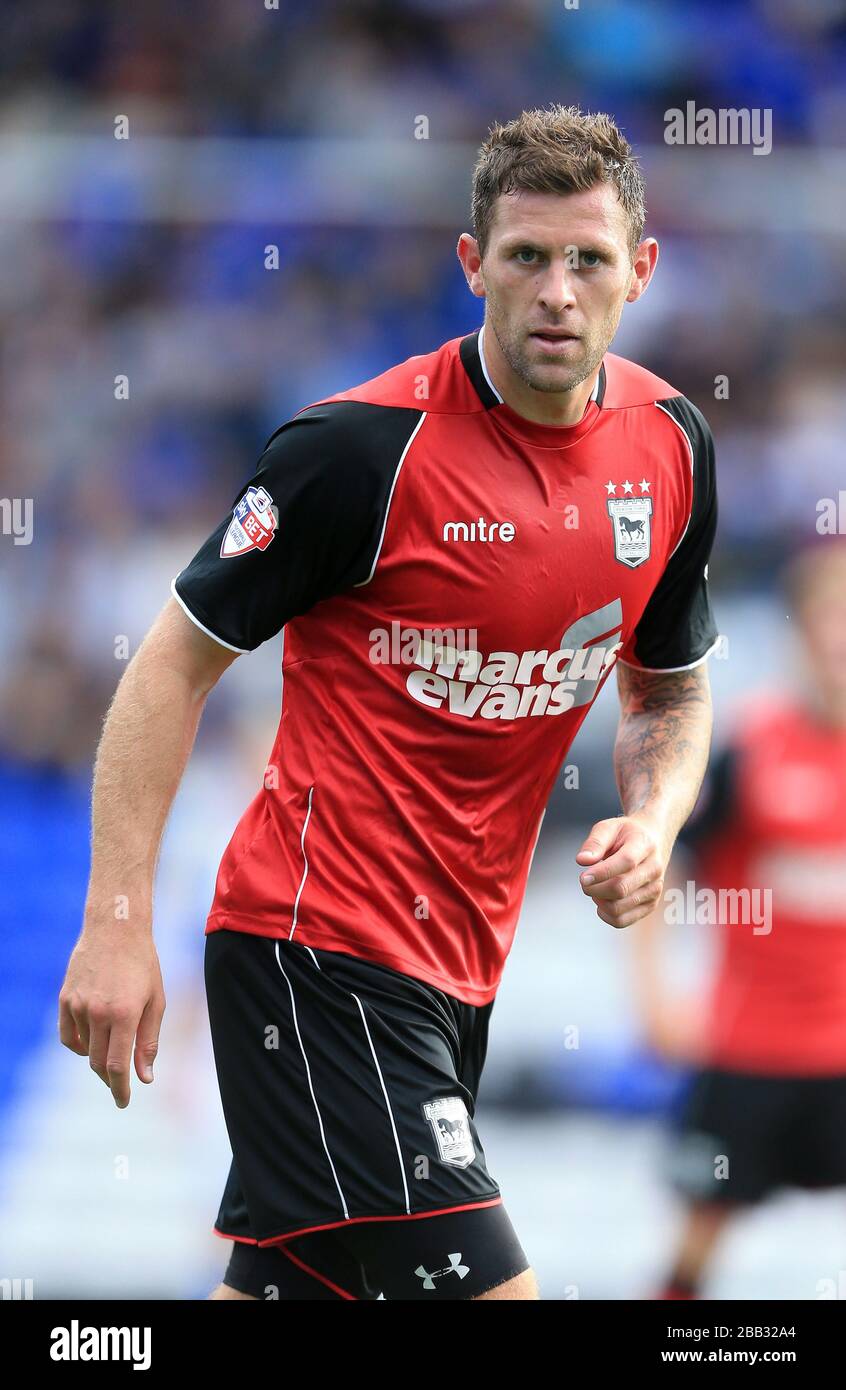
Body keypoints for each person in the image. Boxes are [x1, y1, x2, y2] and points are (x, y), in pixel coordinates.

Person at [58, 104, 720, 1301]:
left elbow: (669, 687)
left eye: (588, 259)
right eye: (526, 257)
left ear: (642, 271)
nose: (557, 292)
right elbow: (172, 662)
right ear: (472, 265)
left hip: (457, 975)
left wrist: (659, 818)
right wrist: (116, 917)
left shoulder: (671, 447)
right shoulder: (356, 453)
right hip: (312, 952)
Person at [634, 542, 846, 1301]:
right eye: (829, 617)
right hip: (748, 1052)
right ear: (798, 632)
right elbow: (659, 869)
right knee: (693, 1250)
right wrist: (656, 997)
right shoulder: (750, 751)